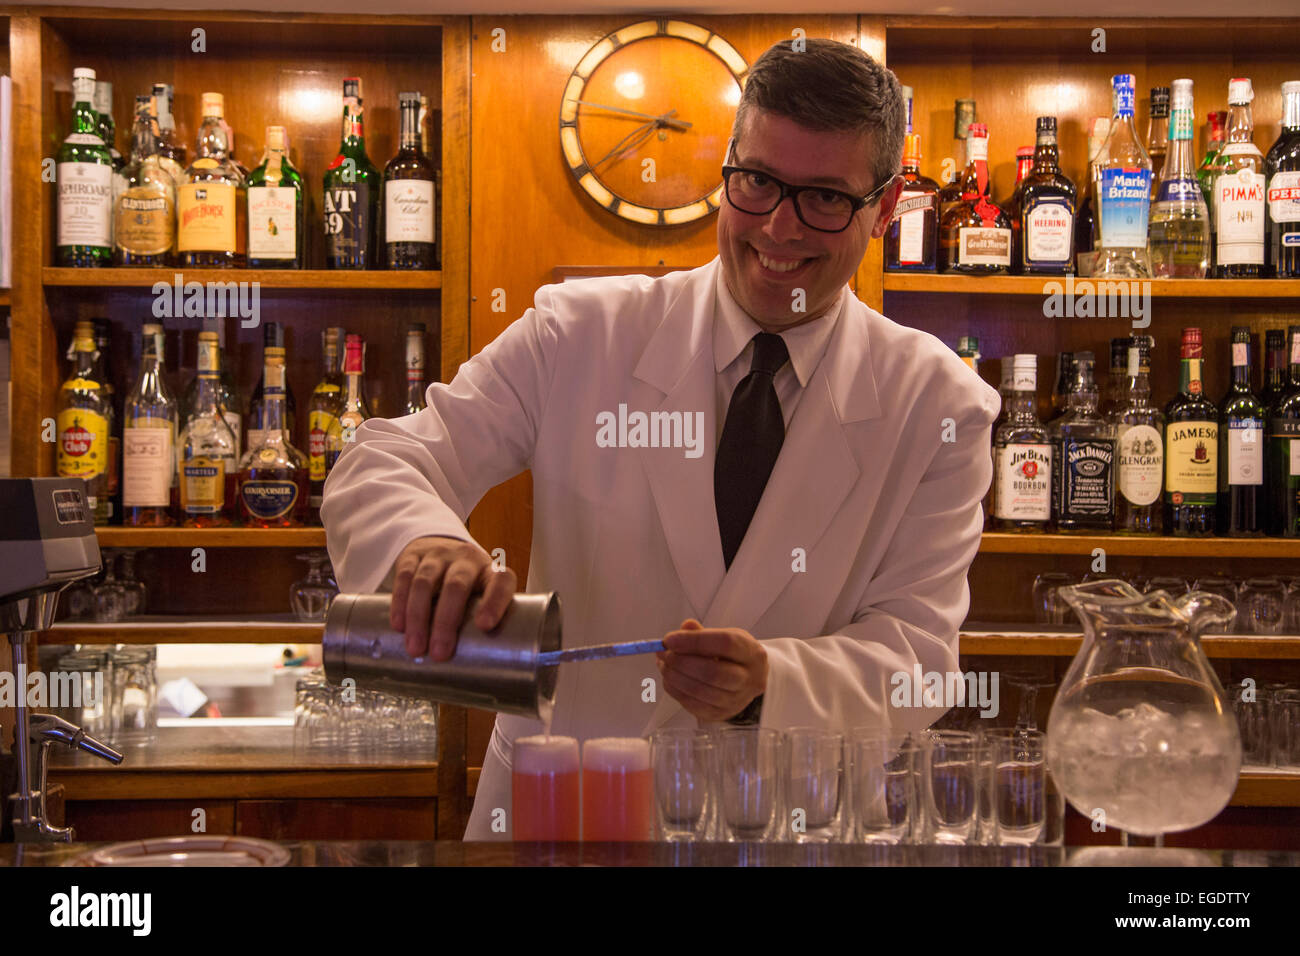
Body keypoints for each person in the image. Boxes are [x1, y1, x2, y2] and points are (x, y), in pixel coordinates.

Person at [321, 37, 1001, 840]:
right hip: (559, 818)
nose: (779, 228)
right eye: (756, 183)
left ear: (886, 209)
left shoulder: (939, 406)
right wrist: (422, 543)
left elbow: (919, 662)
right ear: (727, 171)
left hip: (781, 834)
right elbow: (387, 457)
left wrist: (772, 682)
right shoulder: (578, 331)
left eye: (824, 198)